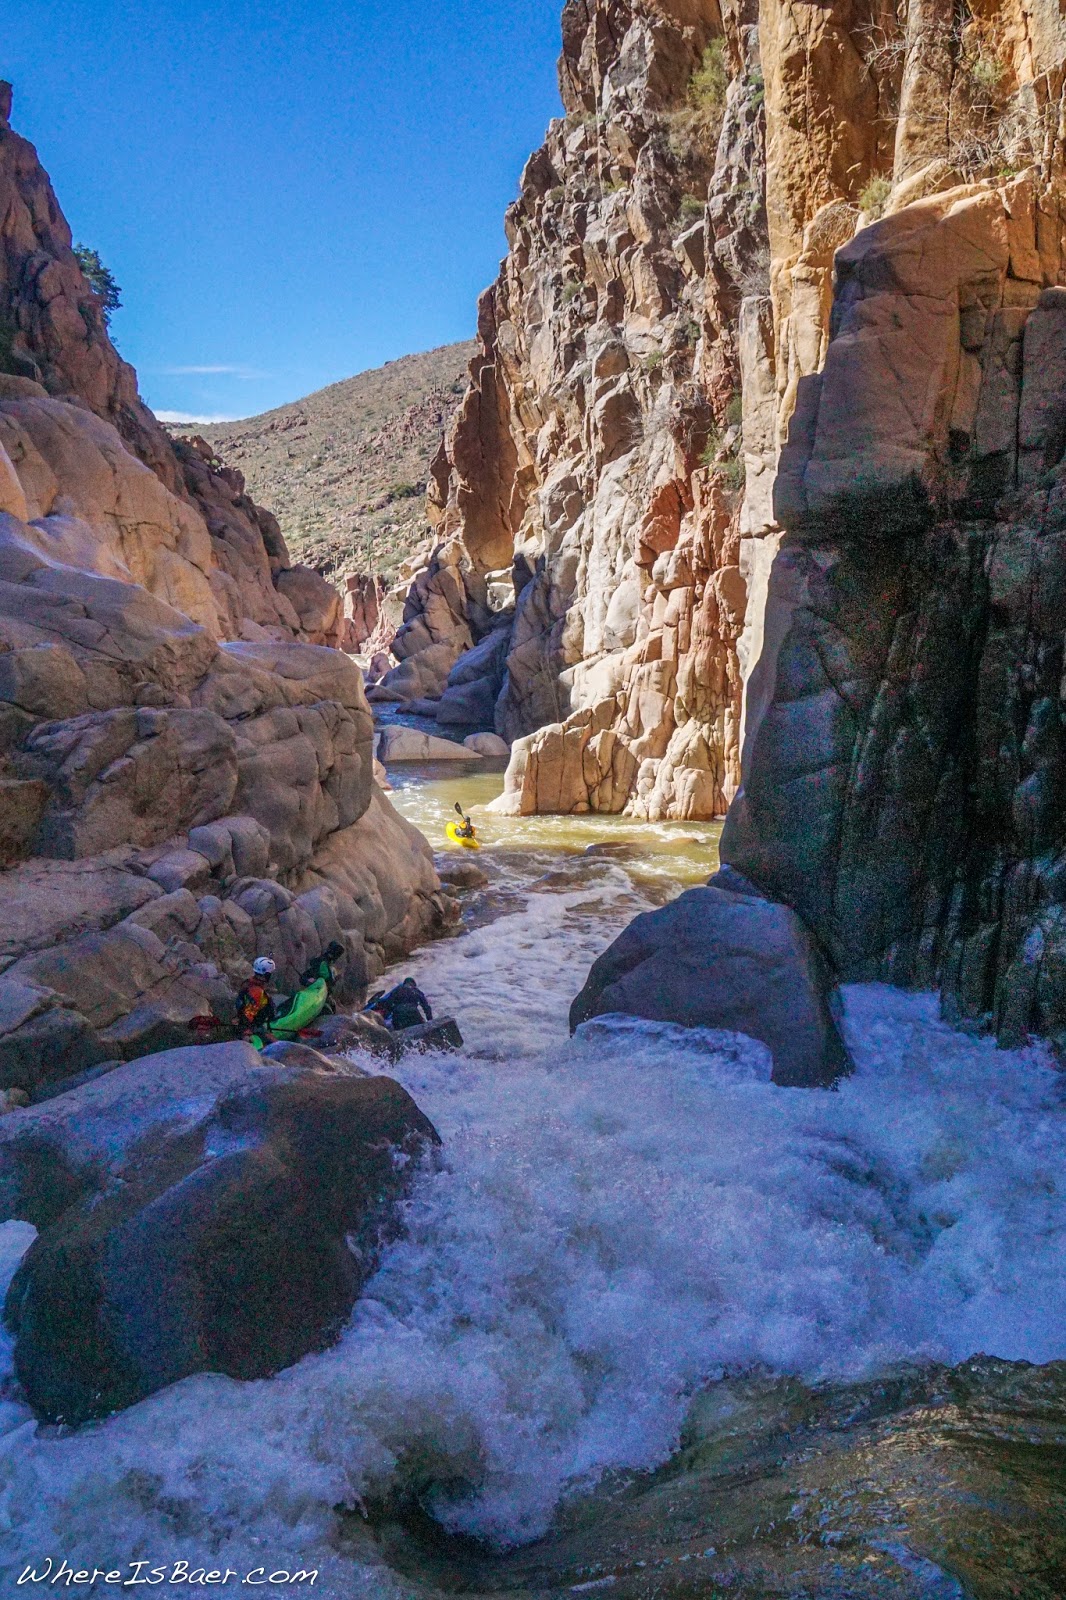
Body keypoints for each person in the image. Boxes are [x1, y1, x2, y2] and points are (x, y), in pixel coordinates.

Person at [369, 976, 433, 1031]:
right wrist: (430, 1021)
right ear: (414, 985)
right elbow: (426, 1007)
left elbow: (387, 1004)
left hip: (398, 1016)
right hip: (414, 1014)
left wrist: (380, 1005)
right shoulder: (417, 991)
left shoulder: (397, 990)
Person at [235, 956, 277, 1039]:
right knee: (277, 1046)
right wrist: (247, 1033)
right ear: (266, 974)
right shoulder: (256, 991)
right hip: (253, 1028)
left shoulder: (249, 983)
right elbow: (248, 1014)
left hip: (255, 1024)